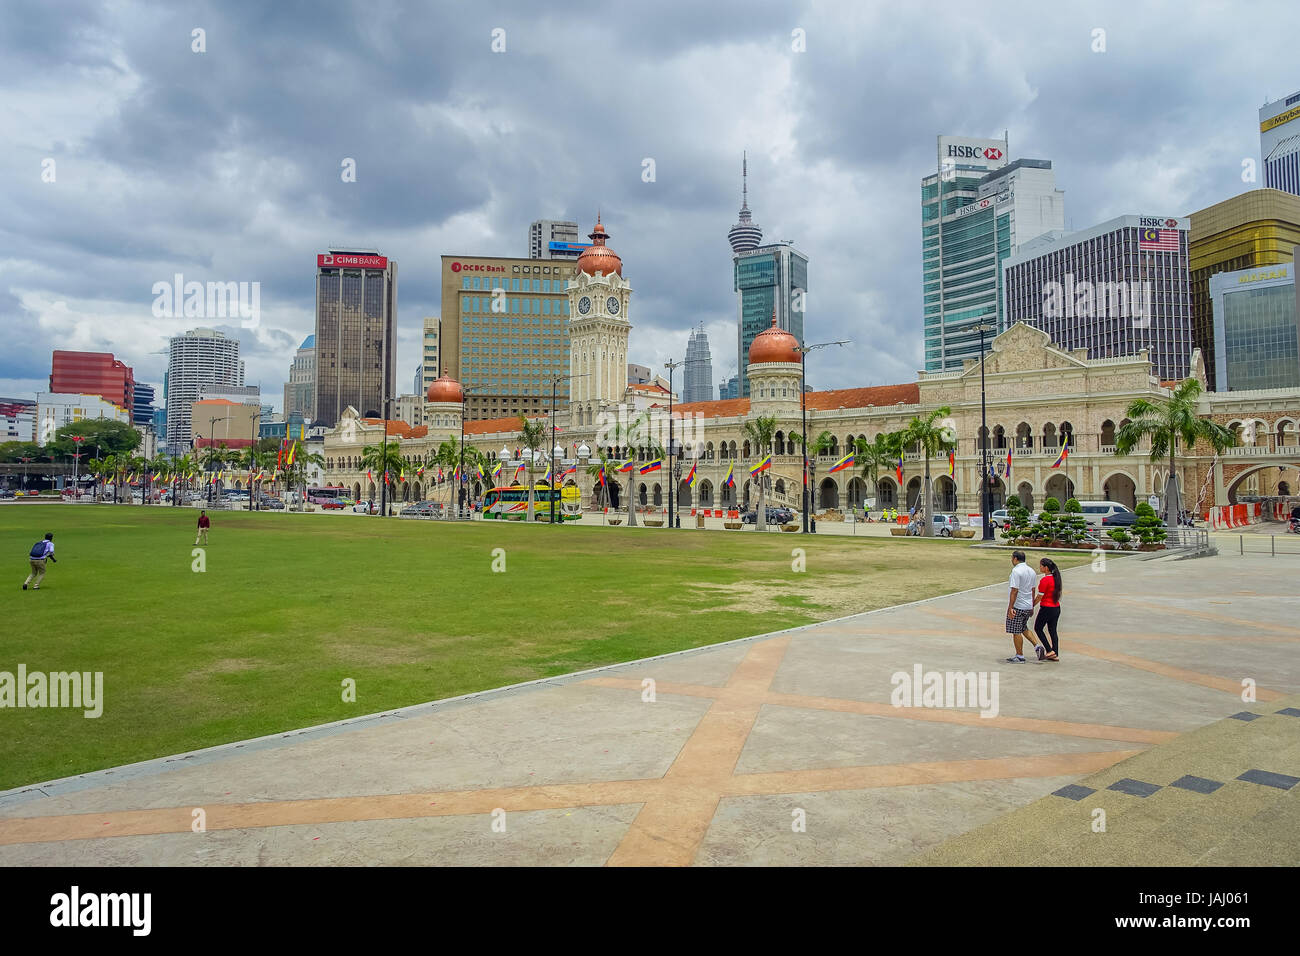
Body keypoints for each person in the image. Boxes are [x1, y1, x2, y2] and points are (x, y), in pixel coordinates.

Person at [1005, 550, 1044, 662]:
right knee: (1023, 627)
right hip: (1027, 605)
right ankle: (1037, 646)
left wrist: (1010, 607)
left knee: (1016, 631)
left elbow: (1014, 590)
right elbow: (1033, 589)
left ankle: (1019, 655)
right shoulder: (1031, 571)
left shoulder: (1016, 571)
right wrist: (1031, 605)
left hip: (1018, 605)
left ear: (1015, 559)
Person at [1033, 558, 1062, 661]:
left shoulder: (1045, 580)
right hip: (1056, 608)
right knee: (1052, 630)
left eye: (1041, 566)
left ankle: (1049, 650)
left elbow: (1039, 596)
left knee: (1038, 628)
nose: (1039, 567)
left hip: (1047, 608)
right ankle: (1055, 653)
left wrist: (1031, 605)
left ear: (1045, 568)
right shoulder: (1056, 578)